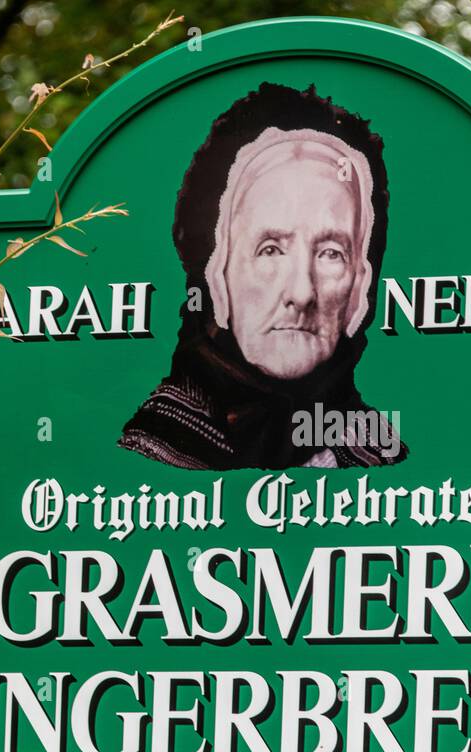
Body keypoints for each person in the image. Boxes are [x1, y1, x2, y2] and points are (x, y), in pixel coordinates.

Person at [118, 83, 408, 470]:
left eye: (331, 254)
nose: (302, 293)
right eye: (270, 249)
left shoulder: (383, 458)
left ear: (359, 289)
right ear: (218, 275)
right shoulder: (151, 451)